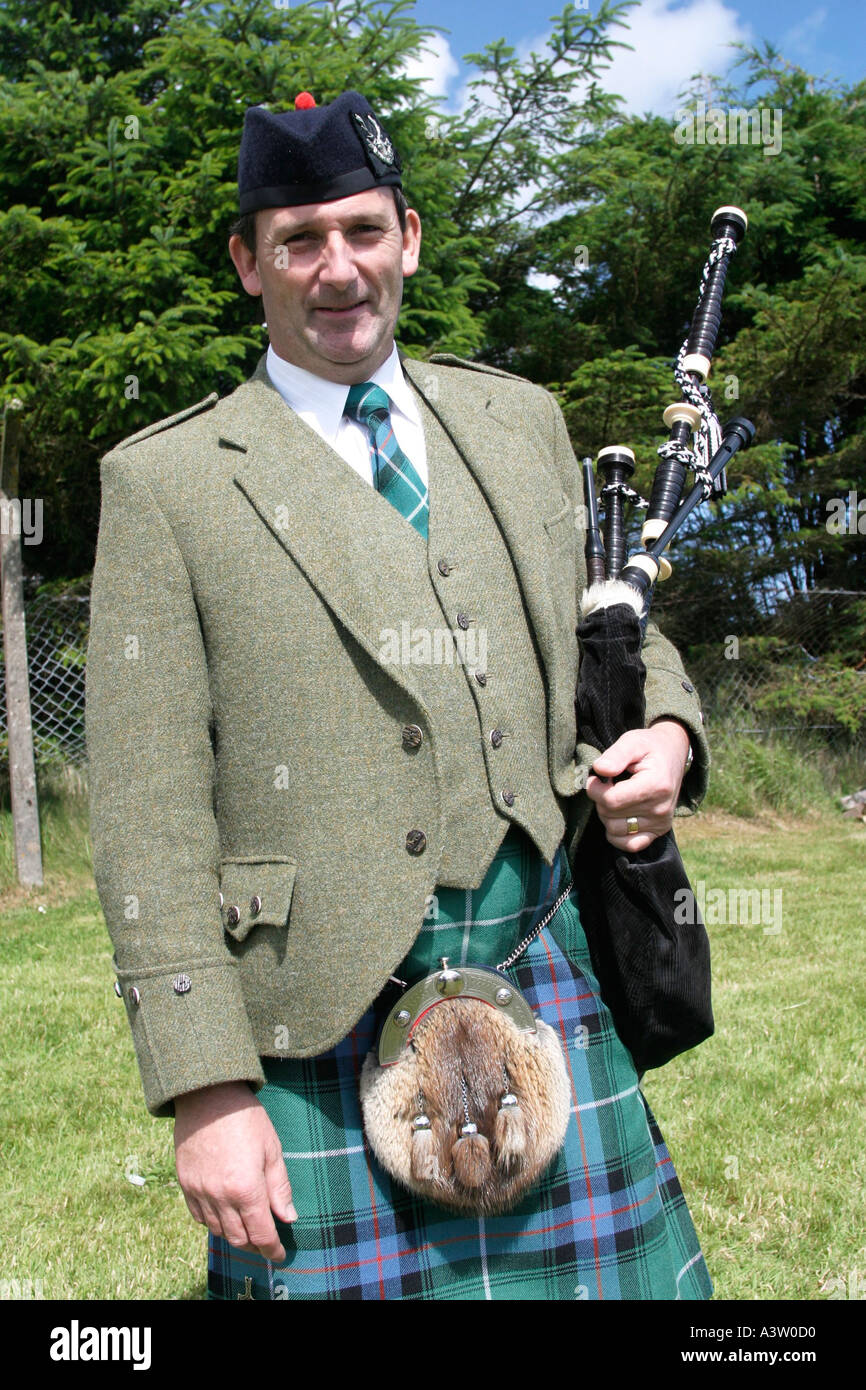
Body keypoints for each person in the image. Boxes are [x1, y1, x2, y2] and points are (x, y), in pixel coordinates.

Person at [86, 90, 713, 1300]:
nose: (338, 270)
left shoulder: (516, 420)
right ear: (245, 262)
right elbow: (147, 815)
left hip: (543, 969)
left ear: (408, 237)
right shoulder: (166, 482)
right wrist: (205, 1088)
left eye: (363, 232)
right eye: (298, 240)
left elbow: (608, 624)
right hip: (314, 1022)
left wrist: (672, 728)